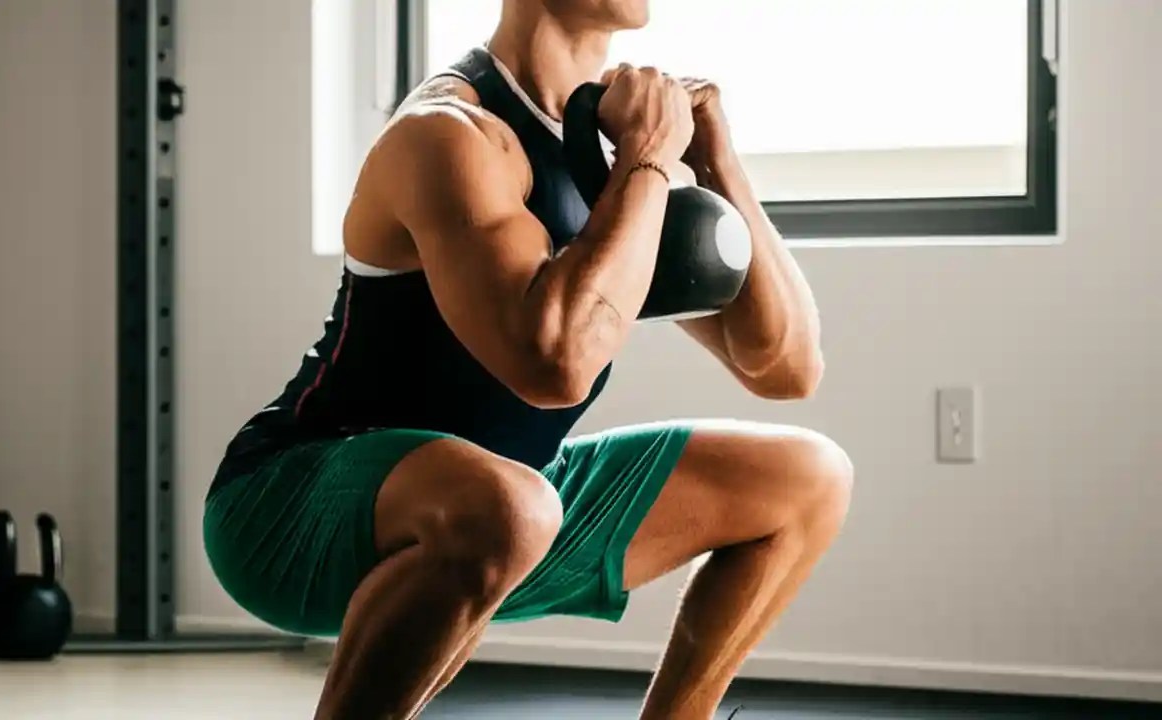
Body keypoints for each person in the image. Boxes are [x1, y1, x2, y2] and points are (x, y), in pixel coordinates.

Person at [203, 1, 853, 717]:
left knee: (809, 479)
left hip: (516, 498)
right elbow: (553, 369)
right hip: (291, 504)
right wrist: (645, 162)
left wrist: (712, 160)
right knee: (510, 507)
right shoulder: (449, 136)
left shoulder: (613, 150)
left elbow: (784, 368)